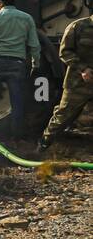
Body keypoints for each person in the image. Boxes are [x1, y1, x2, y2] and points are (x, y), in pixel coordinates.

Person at [0, 0, 40, 138]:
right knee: (17, 103)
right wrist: (35, 64)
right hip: (17, 64)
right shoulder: (27, 18)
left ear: (0, 2)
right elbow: (34, 45)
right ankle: (16, 138)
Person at [39, 15, 93, 150]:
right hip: (78, 83)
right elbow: (64, 52)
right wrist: (83, 69)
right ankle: (44, 145)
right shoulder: (78, 26)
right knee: (64, 115)